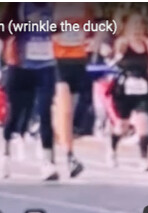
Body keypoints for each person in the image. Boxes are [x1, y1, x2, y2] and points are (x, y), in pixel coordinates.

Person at [0, 2, 60, 181]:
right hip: (20, 67)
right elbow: (2, 31)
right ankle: (5, 156)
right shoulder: (18, 6)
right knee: (15, 114)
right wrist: (24, 25)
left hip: (46, 66)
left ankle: (48, 162)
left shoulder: (54, 6)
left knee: (45, 113)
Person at [109, 13, 148, 171]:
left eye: (140, 25)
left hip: (143, 88)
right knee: (122, 126)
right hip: (125, 89)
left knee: (144, 124)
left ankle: (144, 159)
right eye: (134, 25)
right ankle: (112, 150)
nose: (137, 29)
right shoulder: (123, 43)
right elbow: (115, 60)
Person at [51, 3, 91, 178]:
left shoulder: (86, 6)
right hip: (56, 61)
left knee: (66, 114)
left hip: (78, 62)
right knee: (65, 111)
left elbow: (90, 29)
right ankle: (70, 157)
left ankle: (49, 143)